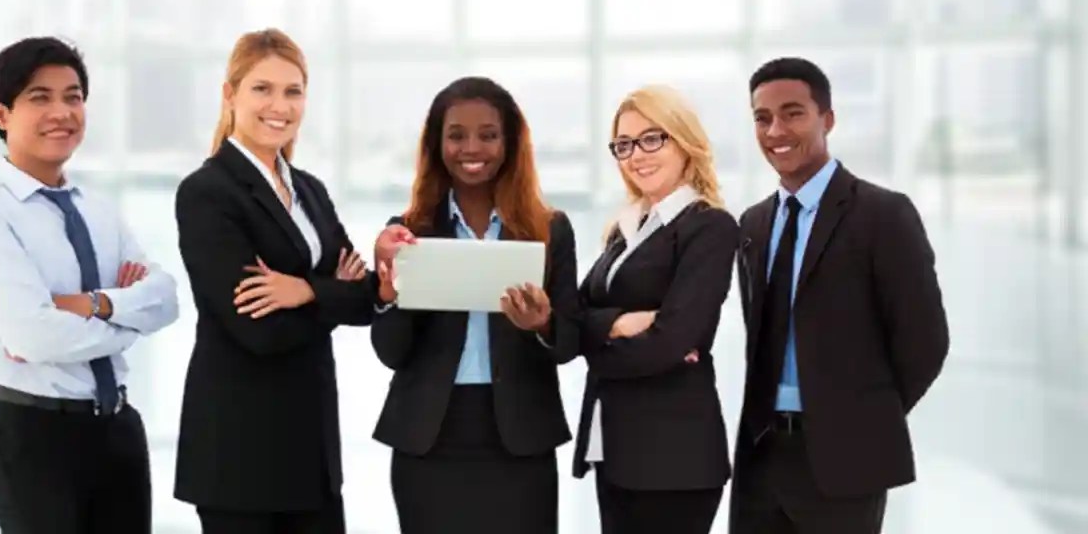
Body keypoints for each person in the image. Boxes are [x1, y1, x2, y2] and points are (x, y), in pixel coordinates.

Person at [0, 36, 179, 533]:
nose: (62, 111)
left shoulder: (96, 207)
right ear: (2, 114)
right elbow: (35, 336)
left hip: (117, 426)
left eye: (73, 97)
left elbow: (165, 299)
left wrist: (87, 304)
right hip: (33, 432)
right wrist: (125, 315)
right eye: (40, 97)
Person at [172, 28, 390, 534]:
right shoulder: (207, 193)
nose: (280, 105)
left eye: (293, 91)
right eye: (262, 89)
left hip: (310, 451)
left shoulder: (308, 190)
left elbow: (363, 300)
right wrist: (334, 292)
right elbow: (258, 330)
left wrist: (308, 290)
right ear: (230, 95)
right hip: (241, 455)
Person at [731, 57, 950, 534]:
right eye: (762, 118)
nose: (775, 130)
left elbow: (925, 342)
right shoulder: (752, 224)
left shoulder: (883, 215)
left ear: (827, 119)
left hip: (845, 461)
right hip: (761, 458)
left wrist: (857, 415)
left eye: (793, 113)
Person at [369, 76, 579, 534]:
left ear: (509, 142)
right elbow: (390, 352)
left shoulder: (549, 230)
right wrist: (387, 292)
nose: (472, 148)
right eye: (456, 134)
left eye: (488, 134)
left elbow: (568, 343)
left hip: (518, 436)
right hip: (430, 437)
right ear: (436, 143)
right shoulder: (408, 231)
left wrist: (544, 324)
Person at [570, 85, 736, 534]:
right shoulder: (624, 230)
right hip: (616, 447)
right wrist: (621, 324)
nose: (636, 154)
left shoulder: (710, 227)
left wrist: (595, 342)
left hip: (674, 459)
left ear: (684, 141)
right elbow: (572, 317)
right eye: (623, 144)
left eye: (651, 138)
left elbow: (671, 343)